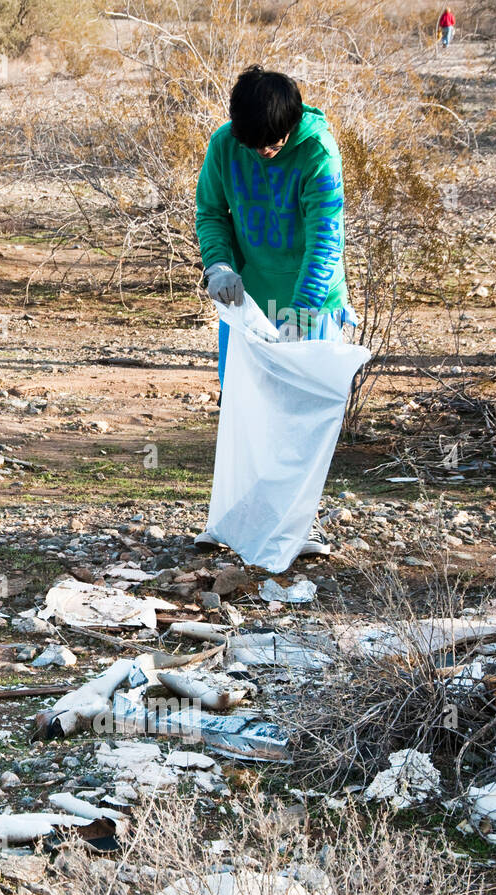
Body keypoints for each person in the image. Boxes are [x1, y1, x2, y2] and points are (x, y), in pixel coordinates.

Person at [194, 66, 355, 558]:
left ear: (291, 124)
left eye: (273, 143)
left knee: (297, 420)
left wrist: (303, 313)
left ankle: (291, 527)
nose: (264, 152)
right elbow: (210, 212)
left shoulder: (317, 154)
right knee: (245, 410)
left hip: (313, 301)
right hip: (245, 304)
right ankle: (239, 521)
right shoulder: (225, 146)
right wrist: (219, 264)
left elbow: (325, 243)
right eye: (254, 144)